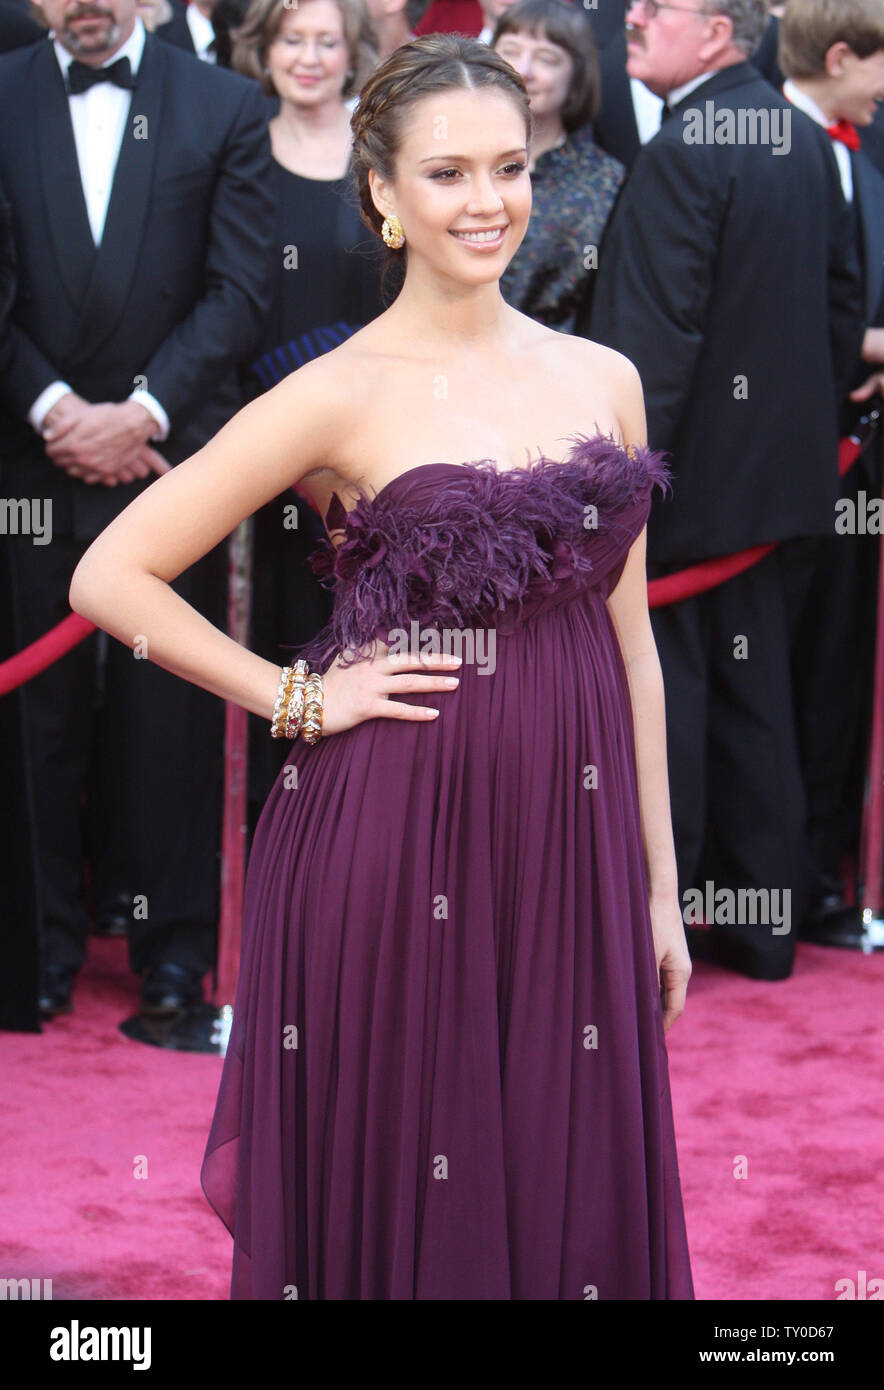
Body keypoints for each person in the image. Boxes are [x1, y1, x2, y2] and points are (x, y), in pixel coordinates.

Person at [69, 32, 693, 1300]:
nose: (487, 203)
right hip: (395, 840)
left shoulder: (604, 376)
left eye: (509, 169)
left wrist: (658, 885)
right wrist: (296, 697)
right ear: (382, 195)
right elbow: (108, 575)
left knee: (562, 1185)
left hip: (569, 856)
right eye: (448, 173)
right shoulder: (335, 391)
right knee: (417, 1175)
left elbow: (630, 639)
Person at [0, 0, 275, 1021]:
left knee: (173, 718)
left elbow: (240, 289)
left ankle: (172, 958)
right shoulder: (2, 95)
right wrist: (53, 407)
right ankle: (33, 956)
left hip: (170, 466)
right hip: (26, 459)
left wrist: (142, 411)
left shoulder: (224, 106)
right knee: (35, 722)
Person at [586, 0, 866, 981]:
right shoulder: (798, 137)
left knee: (677, 694)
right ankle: (757, 929)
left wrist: (614, 483)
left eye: (656, 7)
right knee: (758, 697)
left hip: (686, 488)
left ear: (716, 30)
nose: (631, 17)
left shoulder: (683, 151)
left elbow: (647, 346)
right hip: (778, 489)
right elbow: (842, 307)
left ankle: (666, 931)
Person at [231, 0, 384, 824]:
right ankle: (267, 819)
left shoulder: (377, 150)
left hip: (359, 442)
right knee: (266, 627)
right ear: (268, 48)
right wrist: (280, 401)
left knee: (349, 621)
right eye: (294, 39)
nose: (311, 56)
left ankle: (349, 816)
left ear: (351, 49)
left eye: (328, 41)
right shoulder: (237, 142)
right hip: (254, 437)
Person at [776, 0, 884, 950]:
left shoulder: (852, 150)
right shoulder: (786, 152)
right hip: (801, 466)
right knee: (796, 678)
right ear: (845, 56)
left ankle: (819, 883)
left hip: (850, 467)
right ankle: (795, 886)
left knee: (837, 673)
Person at [493, 0, 625, 329]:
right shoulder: (449, 158)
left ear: (576, 79)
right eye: (510, 50)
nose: (524, 70)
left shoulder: (603, 179)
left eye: (547, 59)